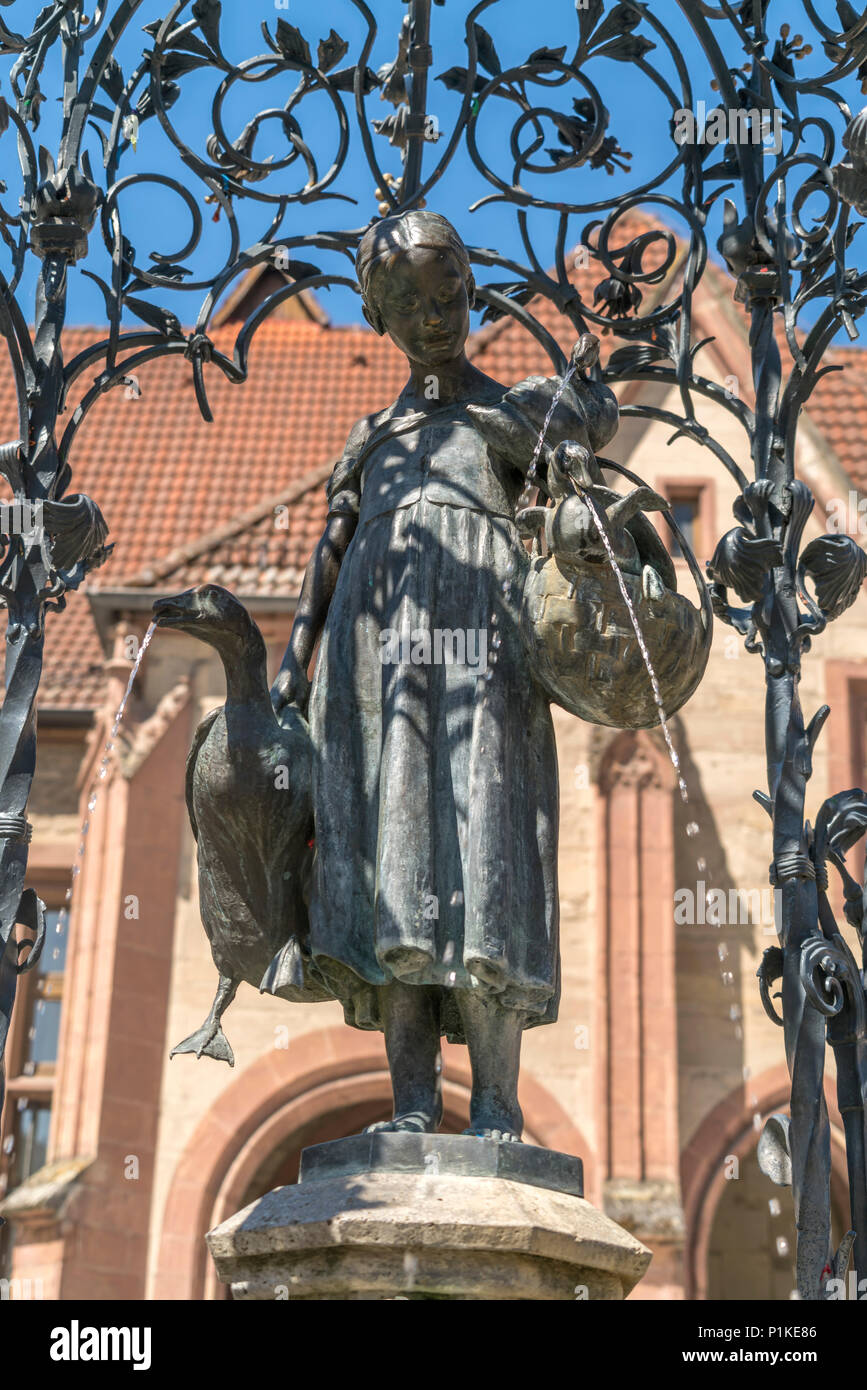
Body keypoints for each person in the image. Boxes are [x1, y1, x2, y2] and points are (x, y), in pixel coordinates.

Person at [271, 210, 618, 1140]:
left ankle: (499, 1103)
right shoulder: (372, 434)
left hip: (482, 657)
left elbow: (580, 467)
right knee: (395, 859)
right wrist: (291, 670)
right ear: (378, 315)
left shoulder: (504, 415)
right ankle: (413, 1104)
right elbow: (327, 552)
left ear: (471, 292)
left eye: (447, 295)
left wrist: (578, 427)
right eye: (409, 303)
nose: (433, 317)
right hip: (371, 667)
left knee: (487, 851)